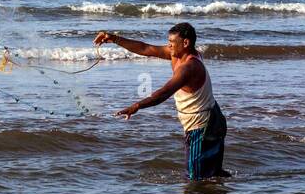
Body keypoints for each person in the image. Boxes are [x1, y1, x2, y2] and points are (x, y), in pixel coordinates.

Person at [94, 22, 229, 180]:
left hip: (203, 126)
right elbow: (145, 49)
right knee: (213, 175)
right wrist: (115, 39)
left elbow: (163, 94)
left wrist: (137, 106)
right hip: (212, 117)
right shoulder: (178, 54)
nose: (168, 46)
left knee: (195, 179)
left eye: (172, 43)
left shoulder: (189, 68)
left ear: (185, 43)